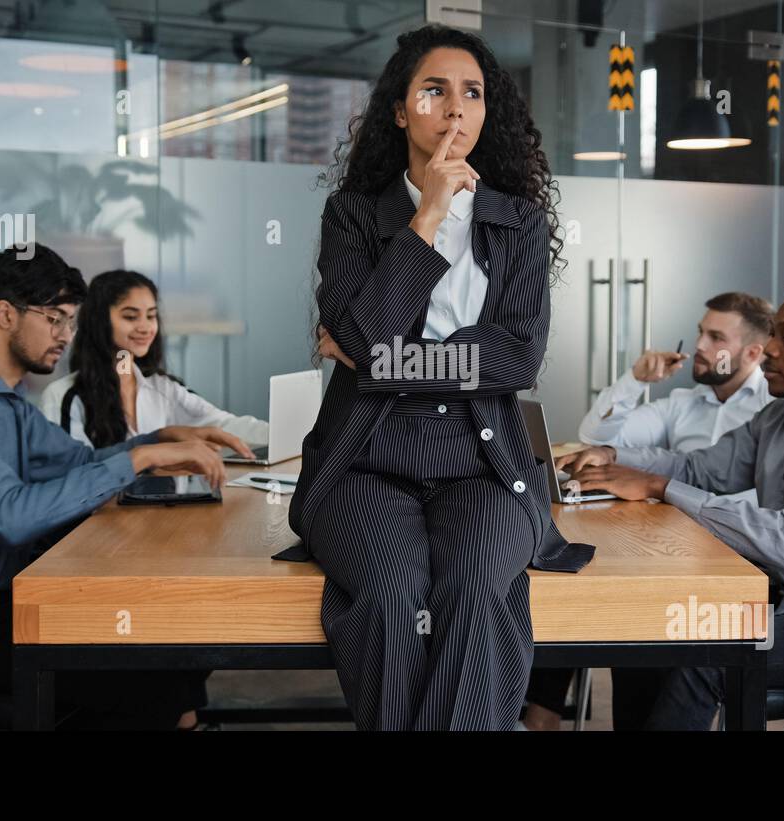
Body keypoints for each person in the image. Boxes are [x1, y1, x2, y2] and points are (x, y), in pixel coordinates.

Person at [273, 24, 593, 731]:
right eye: (434, 90)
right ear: (399, 110)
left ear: (487, 111)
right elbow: (364, 336)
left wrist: (388, 361)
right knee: (389, 592)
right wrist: (426, 218)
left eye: (472, 93)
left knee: (478, 589)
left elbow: (516, 359)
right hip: (365, 464)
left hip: (484, 464)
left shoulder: (518, 223)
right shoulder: (354, 216)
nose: (456, 108)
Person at [559, 270, 784, 730]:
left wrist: (658, 487)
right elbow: (702, 469)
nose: (770, 349)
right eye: (774, 335)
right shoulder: (779, 417)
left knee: (712, 658)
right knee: (648, 629)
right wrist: (615, 456)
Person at [0, 244, 232, 729]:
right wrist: (141, 456)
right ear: (5, 314)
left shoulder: (7, 404)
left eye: (71, 321)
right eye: (54, 318)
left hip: (6, 606)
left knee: (173, 638)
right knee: (154, 672)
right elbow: (10, 516)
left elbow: (81, 461)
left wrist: (162, 439)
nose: (65, 336)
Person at [523, 290, 775, 730]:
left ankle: (548, 713)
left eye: (715, 336)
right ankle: (541, 713)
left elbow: (749, 502)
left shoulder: (771, 412)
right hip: (672, 539)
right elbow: (594, 432)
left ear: (752, 352)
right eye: (700, 331)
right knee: (581, 573)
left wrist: (654, 484)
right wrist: (635, 381)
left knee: (635, 607)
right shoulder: (684, 405)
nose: (698, 345)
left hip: (732, 554)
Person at [40, 269, 266, 452]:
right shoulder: (64, 396)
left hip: (172, 509)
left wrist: (289, 435)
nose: (145, 327)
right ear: (99, 321)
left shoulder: (163, 387)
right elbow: (76, 475)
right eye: (130, 316)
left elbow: (223, 425)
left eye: (151, 315)